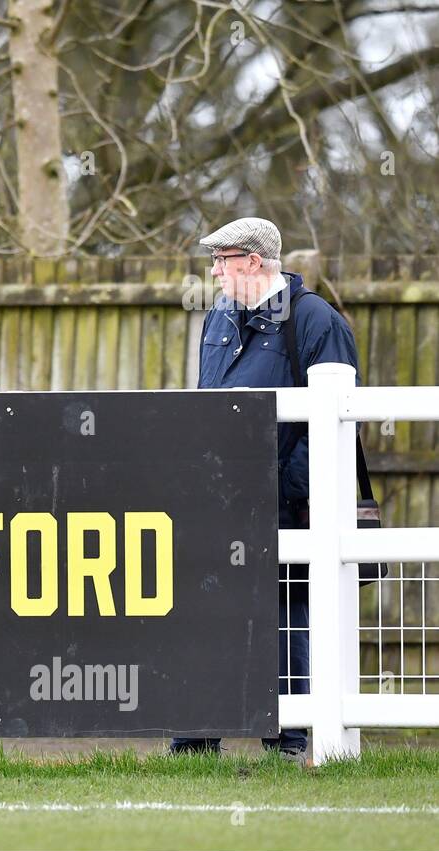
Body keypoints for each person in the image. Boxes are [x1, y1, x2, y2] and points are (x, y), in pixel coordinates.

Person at [171, 217, 359, 764]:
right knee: (206, 608)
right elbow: (209, 402)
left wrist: (288, 489)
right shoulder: (219, 317)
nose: (214, 272)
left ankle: (289, 740)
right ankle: (196, 739)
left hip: (286, 499)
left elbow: (336, 423)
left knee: (286, 615)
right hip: (218, 497)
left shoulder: (315, 320)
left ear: (253, 262)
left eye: (222, 261)